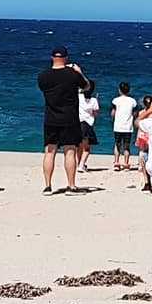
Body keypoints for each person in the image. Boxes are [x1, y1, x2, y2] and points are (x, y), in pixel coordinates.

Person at [36, 46, 93, 194]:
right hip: (69, 118)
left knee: (49, 152)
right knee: (70, 151)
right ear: (66, 58)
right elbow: (87, 86)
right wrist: (79, 72)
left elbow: (43, 89)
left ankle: (47, 186)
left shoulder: (43, 76)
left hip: (50, 118)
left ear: (52, 58)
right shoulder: (72, 74)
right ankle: (71, 186)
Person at [110, 81, 138, 171]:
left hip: (118, 126)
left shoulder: (115, 100)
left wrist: (113, 119)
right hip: (128, 127)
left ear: (119, 90)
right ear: (129, 90)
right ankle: (126, 163)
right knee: (126, 146)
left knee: (117, 144)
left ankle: (116, 163)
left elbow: (113, 113)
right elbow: (135, 113)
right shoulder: (133, 101)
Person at [78, 79, 100, 172]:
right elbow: (95, 114)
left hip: (77, 123)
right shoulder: (93, 100)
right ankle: (81, 165)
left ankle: (79, 163)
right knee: (86, 148)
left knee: (79, 146)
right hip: (87, 124)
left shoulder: (78, 97)